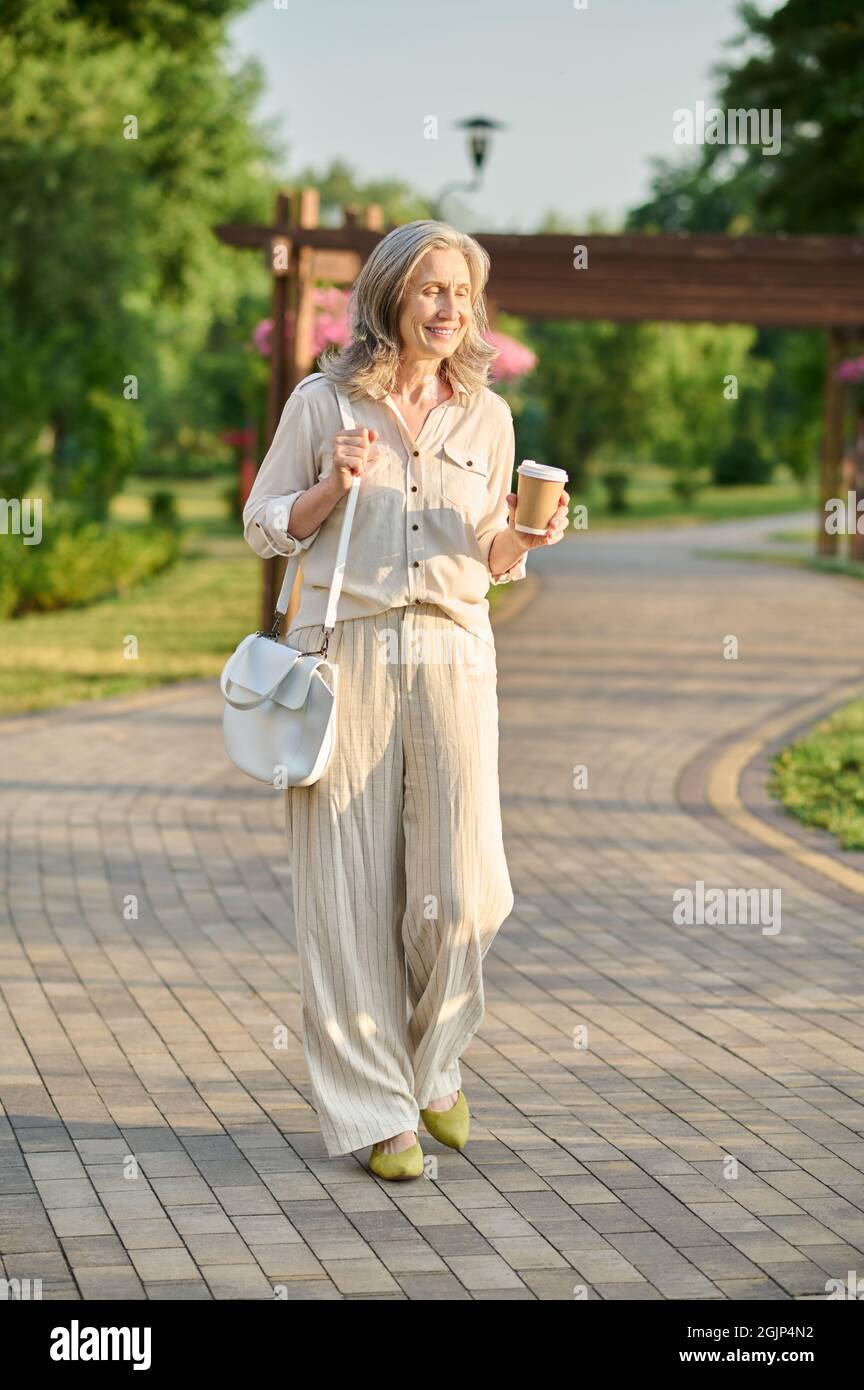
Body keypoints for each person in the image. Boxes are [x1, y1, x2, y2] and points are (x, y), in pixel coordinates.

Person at [243, 220, 569, 1179]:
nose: (449, 309)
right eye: (432, 290)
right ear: (390, 296)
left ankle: (435, 1067)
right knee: (346, 893)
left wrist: (523, 543)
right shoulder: (325, 401)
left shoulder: (487, 418)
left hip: (456, 652)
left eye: (461, 294)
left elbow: (489, 556)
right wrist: (326, 493)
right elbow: (266, 526)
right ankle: (378, 1110)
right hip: (345, 657)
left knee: (467, 888)